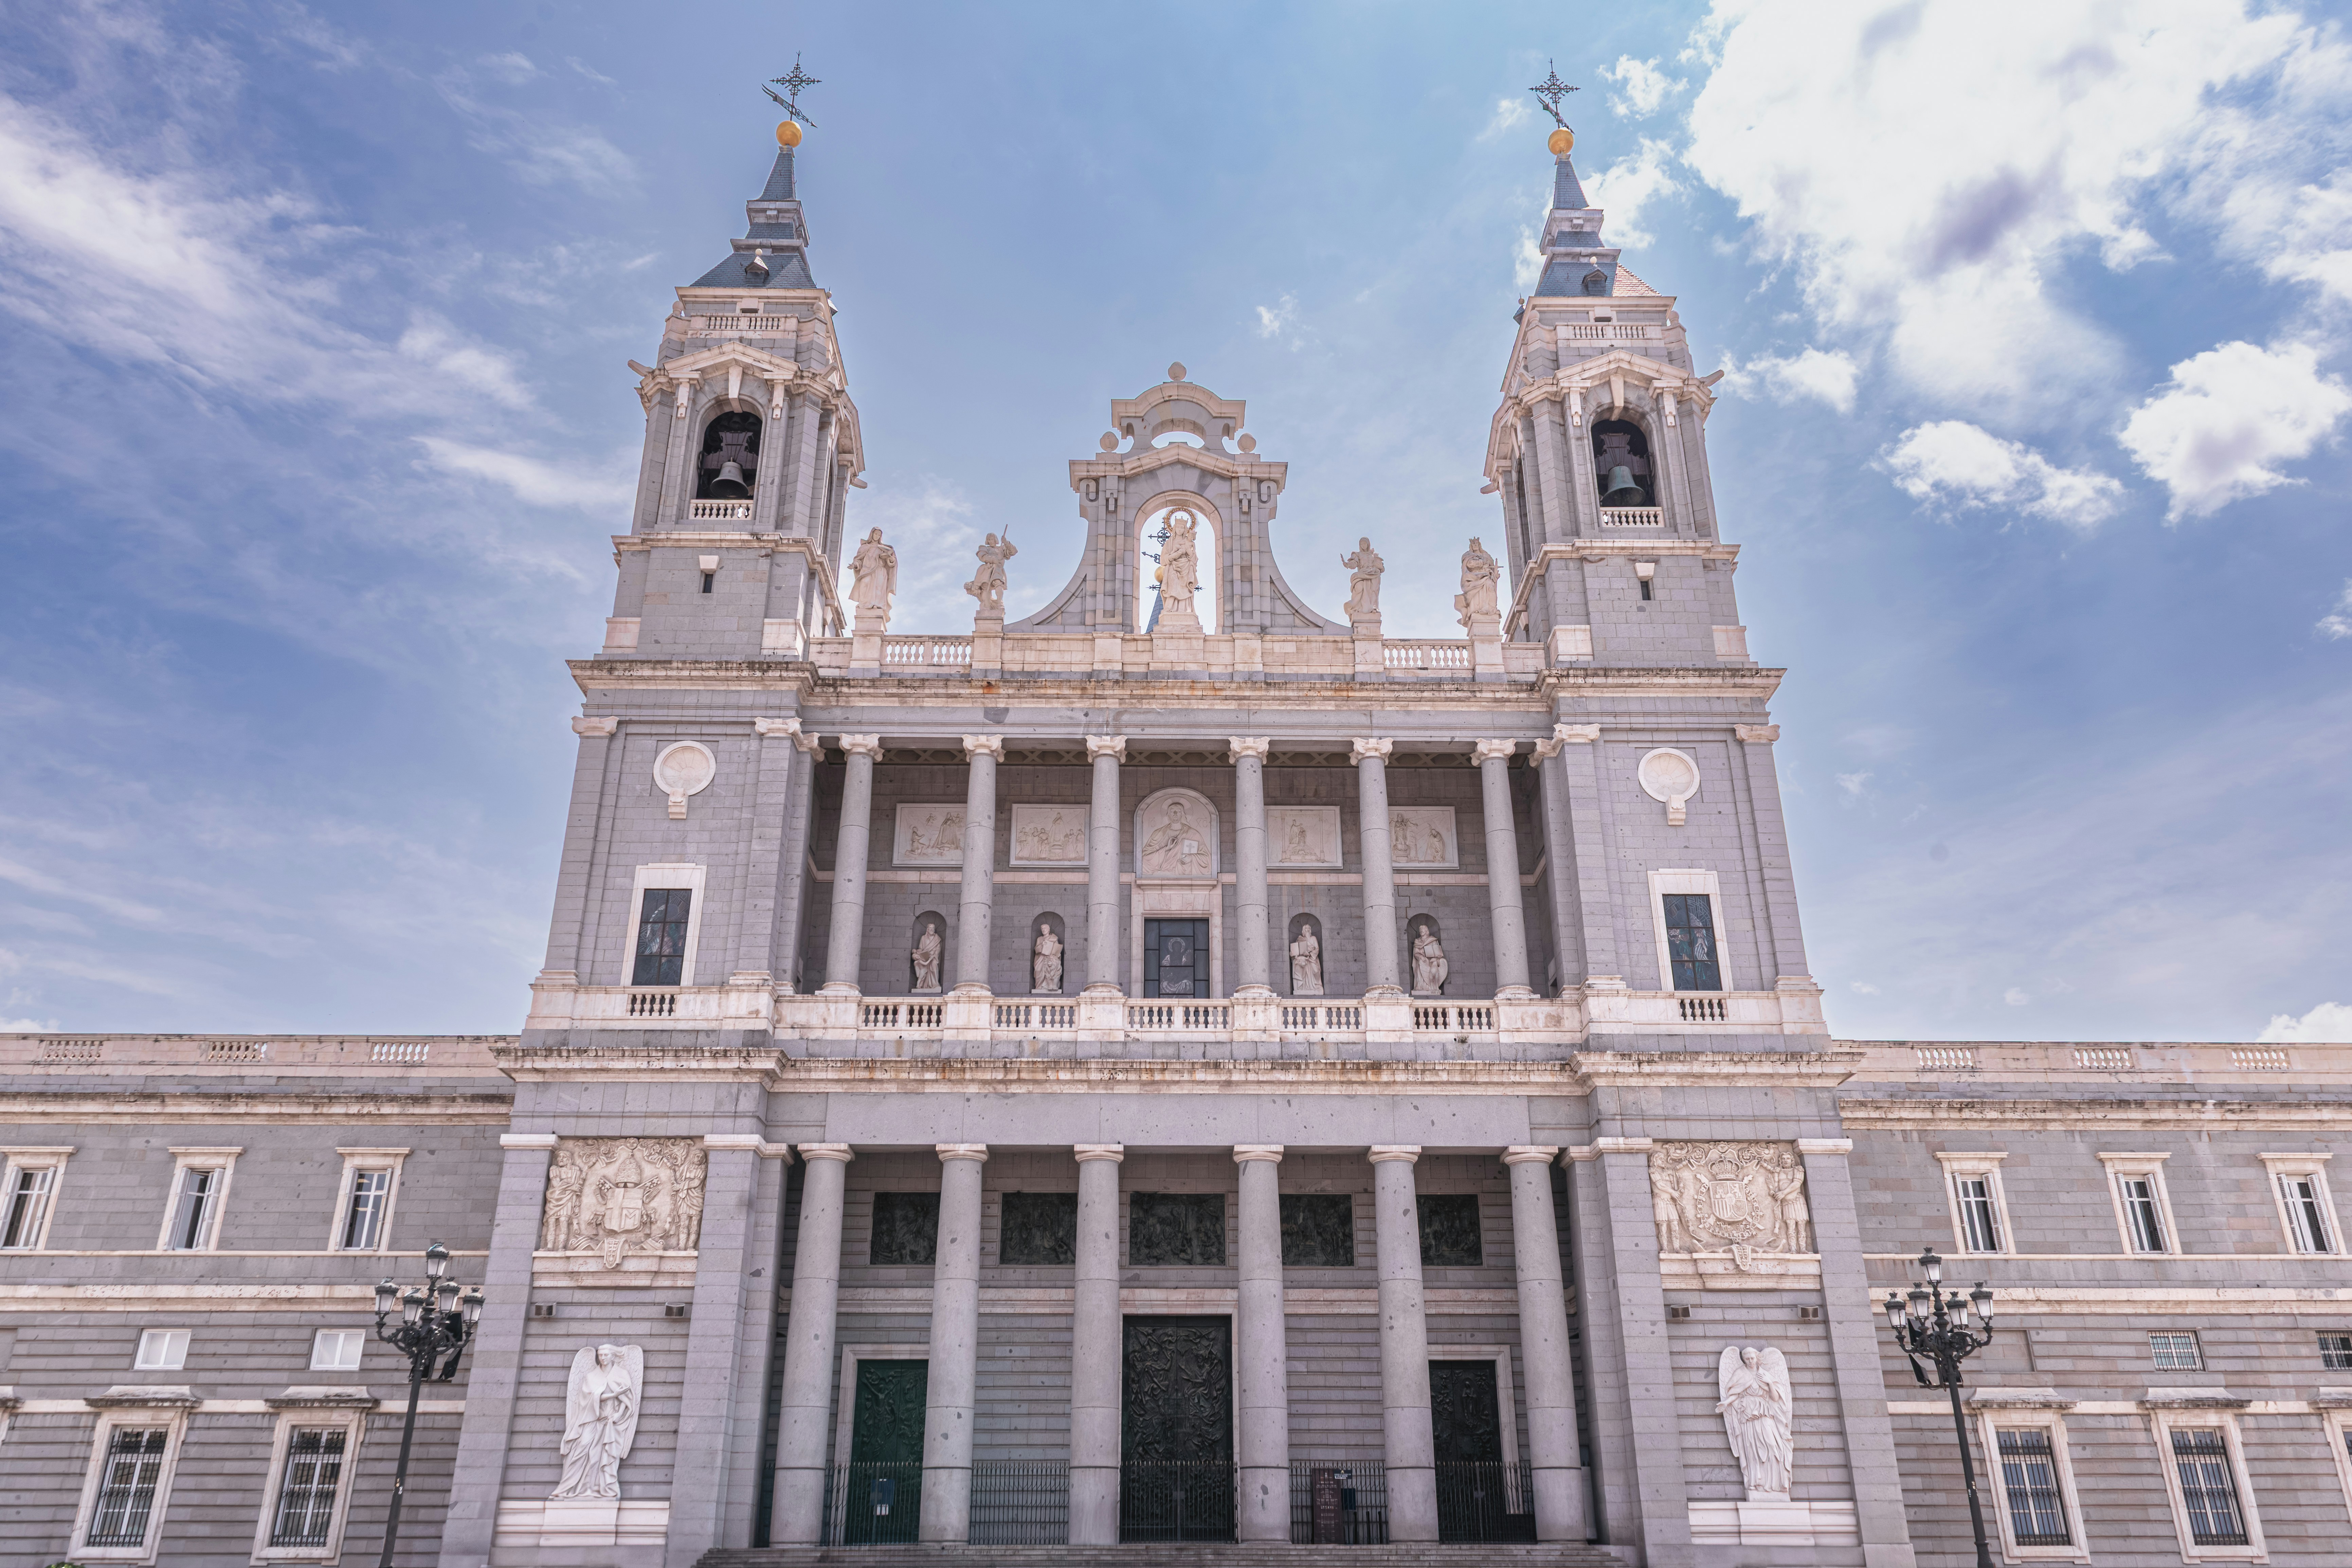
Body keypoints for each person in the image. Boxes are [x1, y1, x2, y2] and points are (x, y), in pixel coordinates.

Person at [1289, 920, 1323, 996]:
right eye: (1306, 929)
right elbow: (1297, 950)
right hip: (1303, 958)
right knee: (1300, 965)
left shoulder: (1313, 938)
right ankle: (1302, 987)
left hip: (1312, 958)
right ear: (1303, 931)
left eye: (1309, 929)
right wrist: (1293, 955)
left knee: (1316, 971)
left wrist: (1310, 954)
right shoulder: (1300, 939)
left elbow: (1317, 949)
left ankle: (1317, 987)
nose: (1308, 930)